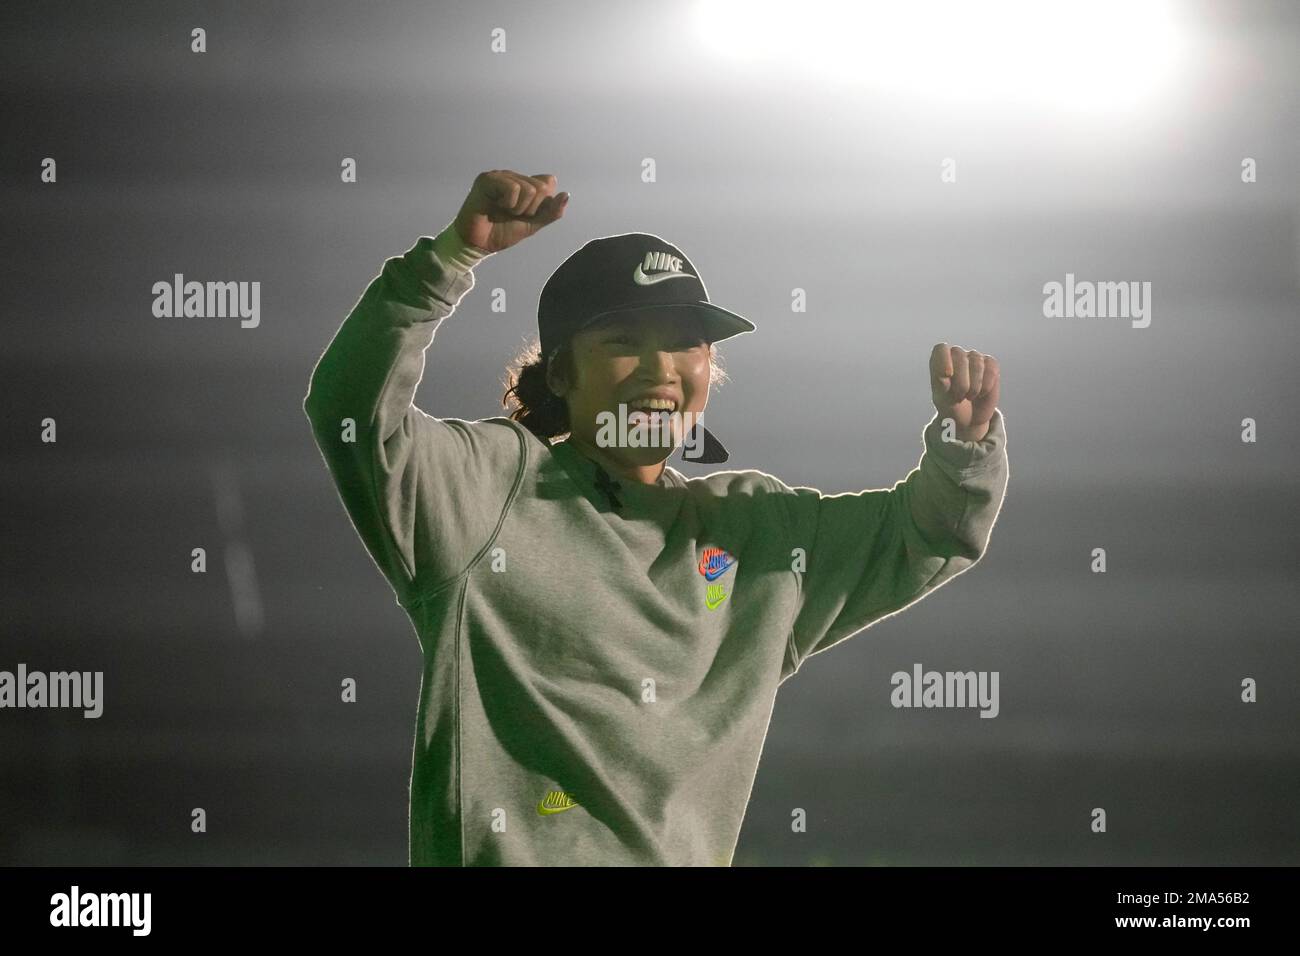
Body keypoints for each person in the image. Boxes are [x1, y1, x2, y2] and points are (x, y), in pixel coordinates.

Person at [303, 169, 1009, 866]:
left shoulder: (754, 533)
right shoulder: (491, 488)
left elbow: (929, 533)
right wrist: (452, 257)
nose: (660, 368)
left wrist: (963, 448)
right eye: (622, 342)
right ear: (558, 373)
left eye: (684, 343)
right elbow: (349, 411)